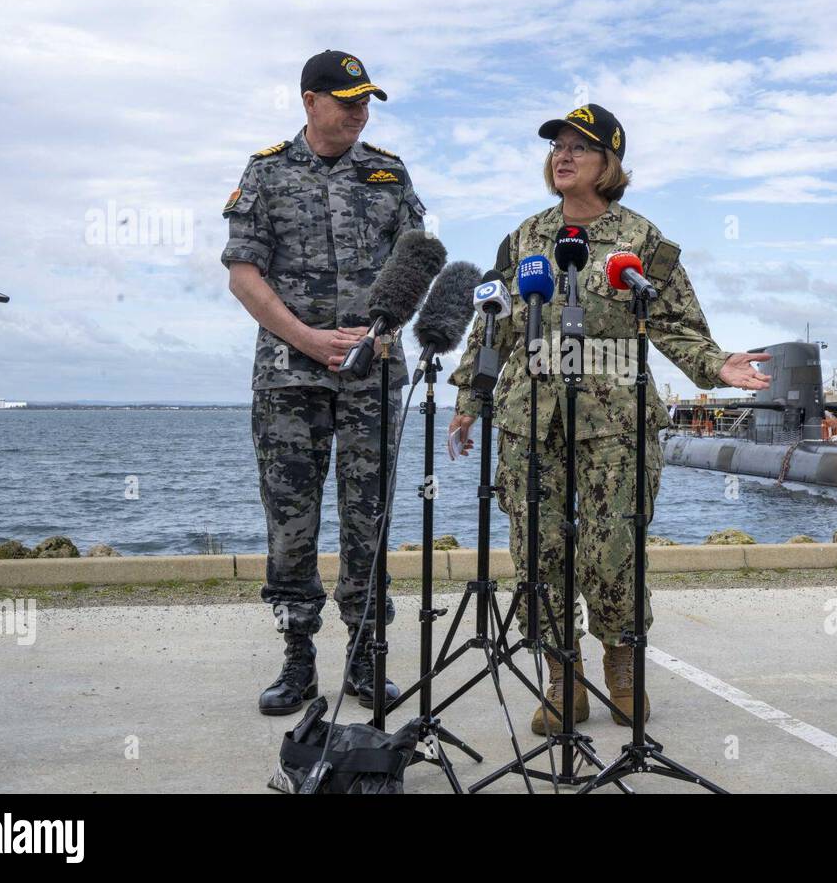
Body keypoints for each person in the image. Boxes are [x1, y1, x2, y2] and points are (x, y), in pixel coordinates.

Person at [447, 104, 770, 735]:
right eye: (557, 147)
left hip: (615, 424)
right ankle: (562, 678)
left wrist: (717, 364)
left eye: (579, 147)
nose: (563, 156)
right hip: (530, 419)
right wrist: (469, 397)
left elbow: (677, 326)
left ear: (609, 163)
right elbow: (496, 326)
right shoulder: (525, 238)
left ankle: (622, 668)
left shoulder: (641, 241)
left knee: (613, 550)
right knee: (537, 551)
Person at [221, 50, 426, 715]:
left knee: (370, 521)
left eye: (366, 102)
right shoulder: (267, 171)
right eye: (348, 101)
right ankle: (297, 659)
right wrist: (308, 339)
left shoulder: (388, 172)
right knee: (291, 524)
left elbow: (417, 261)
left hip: (372, 375)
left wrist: (381, 329)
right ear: (310, 101)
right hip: (289, 378)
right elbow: (243, 275)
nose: (360, 113)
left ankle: (366, 656)